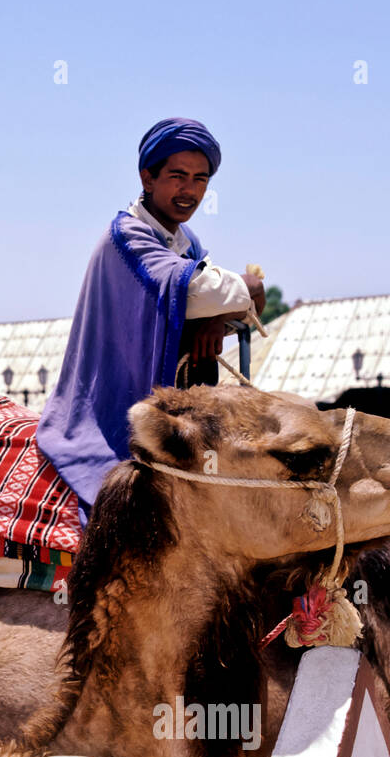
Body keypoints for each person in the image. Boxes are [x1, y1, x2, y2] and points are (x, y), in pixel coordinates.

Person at [36, 117, 265, 519]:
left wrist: (214, 321)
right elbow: (200, 290)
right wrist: (249, 286)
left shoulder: (185, 242)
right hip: (113, 404)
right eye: (177, 176)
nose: (189, 189)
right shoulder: (127, 237)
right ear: (147, 178)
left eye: (200, 179)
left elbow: (208, 295)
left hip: (176, 404)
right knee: (131, 515)